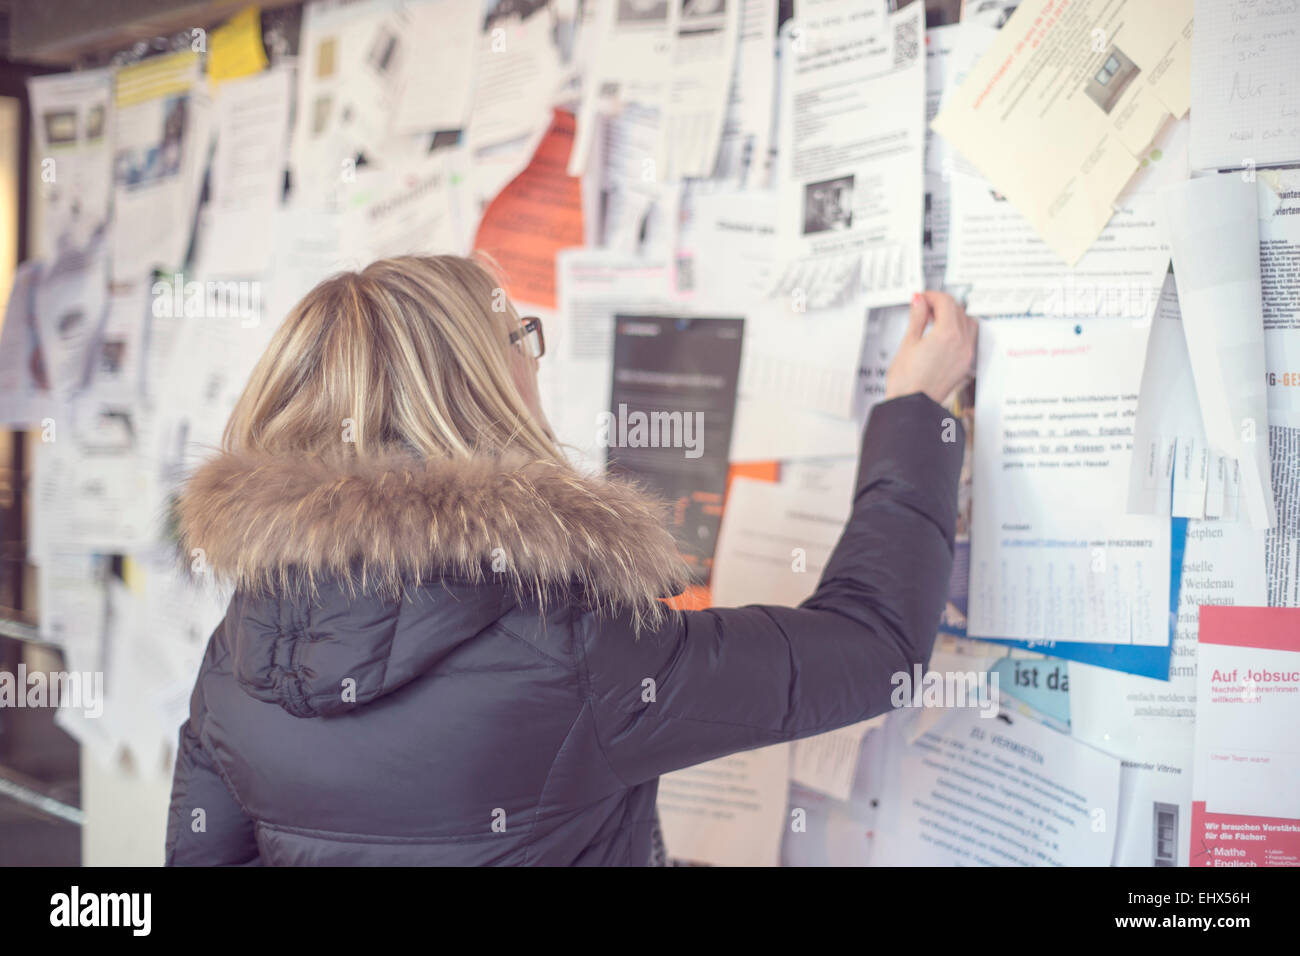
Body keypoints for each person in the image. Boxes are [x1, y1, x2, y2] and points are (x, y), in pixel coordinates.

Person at [165, 254, 976, 866]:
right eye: (521, 338)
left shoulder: (240, 652)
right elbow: (876, 650)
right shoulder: (574, 648)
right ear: (484, 384)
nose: (535, 360)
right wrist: (916, 413)